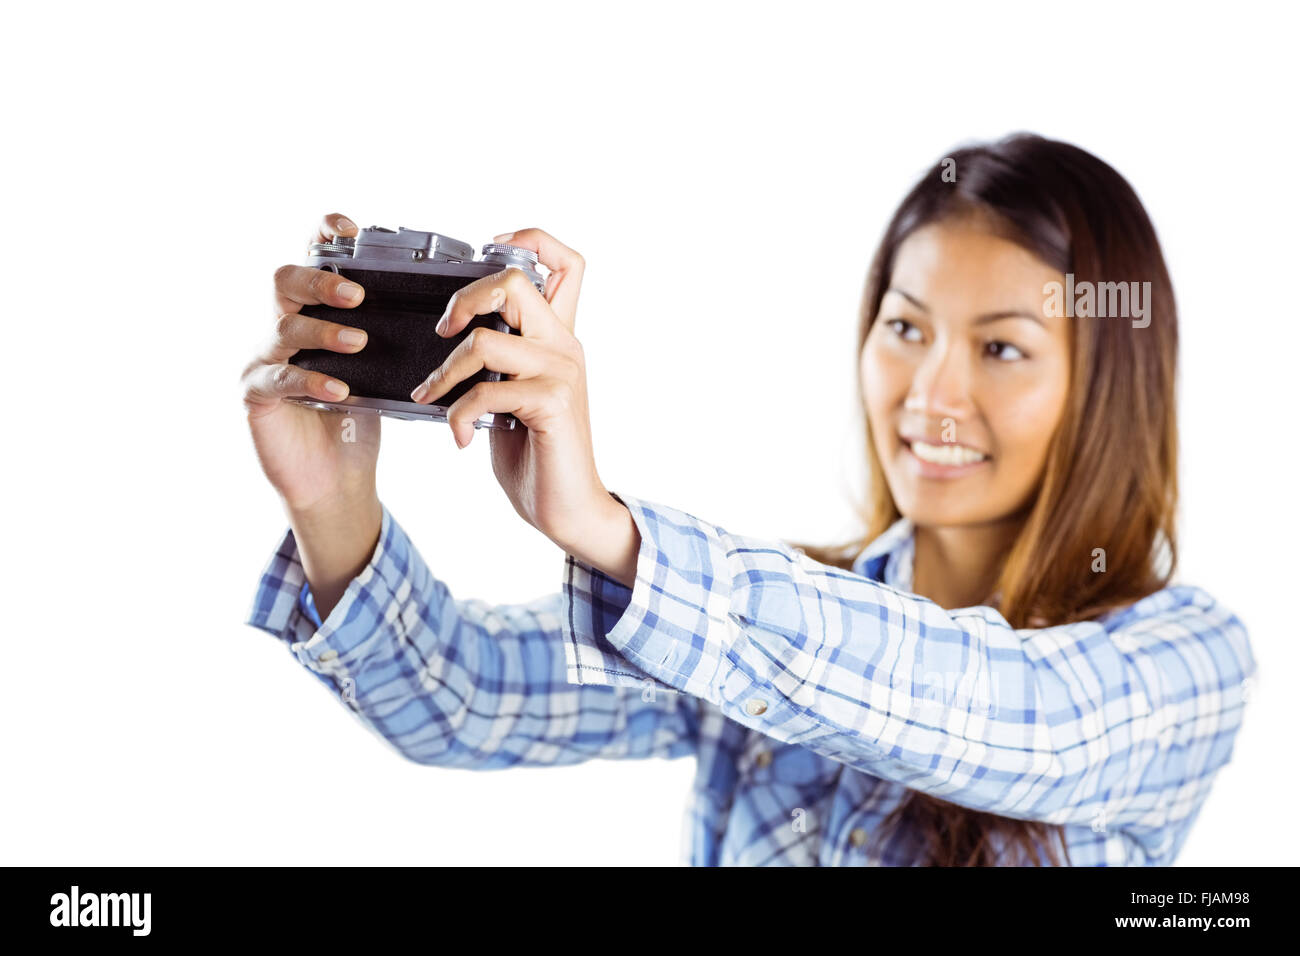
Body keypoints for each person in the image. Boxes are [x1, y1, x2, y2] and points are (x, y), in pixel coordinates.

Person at [241, 133, 1255, 866]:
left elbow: (1011, 715)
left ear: (1106, 382)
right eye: (905, 328)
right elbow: (461, 700)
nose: (932, 394)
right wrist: (334, 501)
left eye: (999, 348)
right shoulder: (762, 617)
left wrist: (607, 530)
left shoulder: (1182, 660)